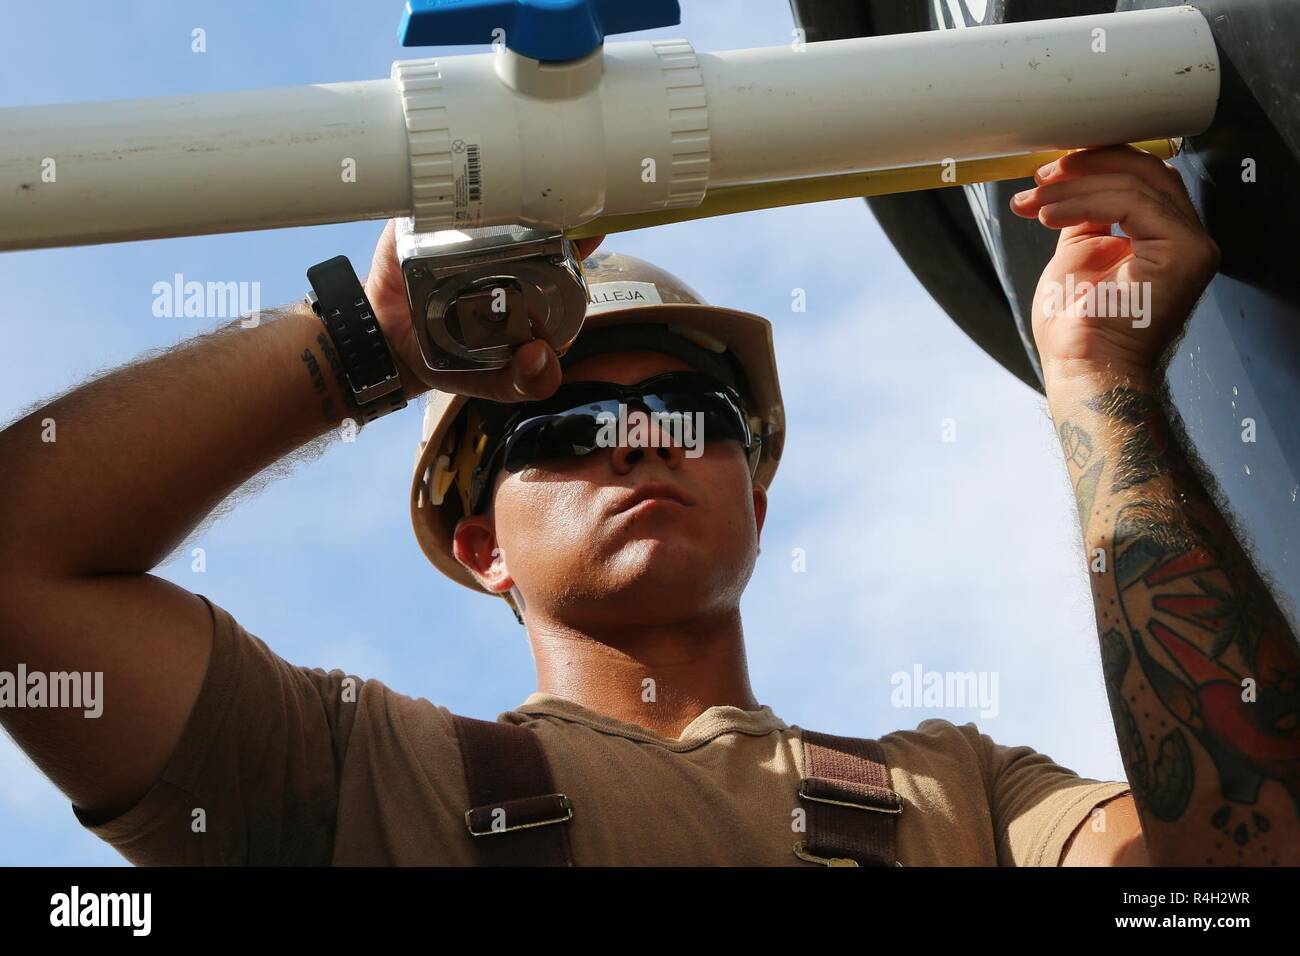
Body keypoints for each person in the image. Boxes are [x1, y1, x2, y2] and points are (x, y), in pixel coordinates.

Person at [0, 145, 1293, 865]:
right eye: (561, 426)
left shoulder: (966, 798)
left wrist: (1099, 379)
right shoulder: (360, 783)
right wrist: (379, 335)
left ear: (756, 501)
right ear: (477, 543)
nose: (636, 442)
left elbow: (1244, 868)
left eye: (690, 413)